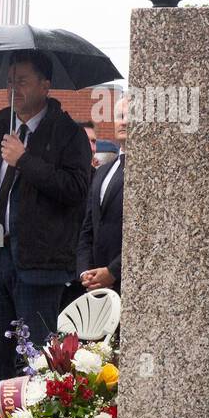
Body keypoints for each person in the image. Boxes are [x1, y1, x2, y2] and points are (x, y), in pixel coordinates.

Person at [0, 50, 91, 382]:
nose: (13, 89)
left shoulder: (68, 134)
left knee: (35, 360)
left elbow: (75, 190)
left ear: (46, 85)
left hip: (39, 263)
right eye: (9, 82)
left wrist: (25, 160)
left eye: (22, 81)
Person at [77, 98, 127, 294]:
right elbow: (88, 228)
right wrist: (84, 273)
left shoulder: (148, 173)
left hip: (127, 281)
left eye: (130, 116)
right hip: (94, 285)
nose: (123, 122)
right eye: (120, 117)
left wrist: (113, 272)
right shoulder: (102, 172)